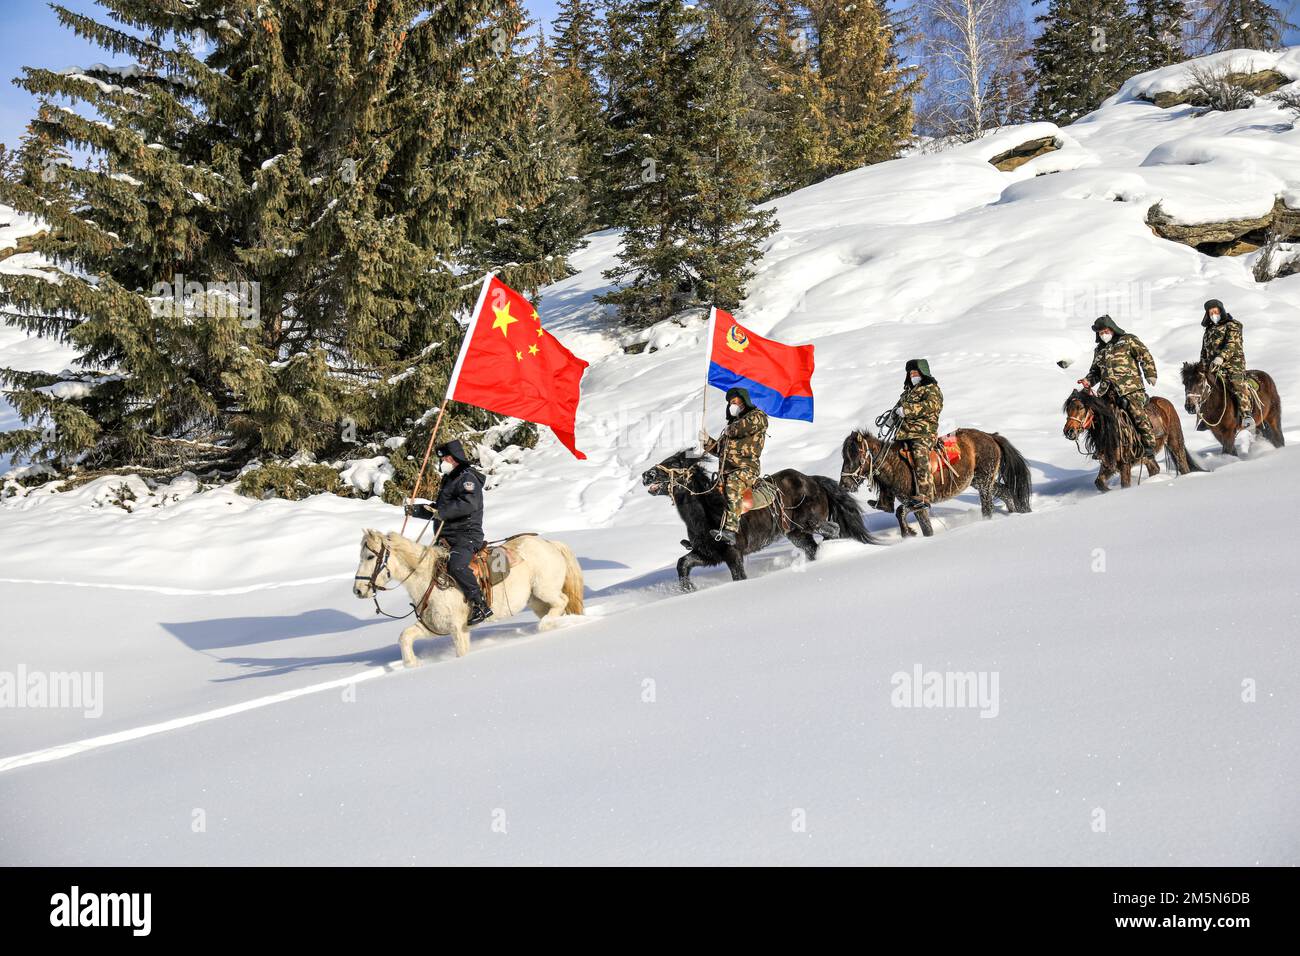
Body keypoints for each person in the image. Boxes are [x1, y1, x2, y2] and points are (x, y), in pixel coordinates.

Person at [404, 439, 492, 625]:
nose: (441, 461)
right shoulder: (450, 479)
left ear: (452, 458)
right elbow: (440, 507)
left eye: (443, 458)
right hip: (446, 538)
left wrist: (441, 512)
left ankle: (480, 605)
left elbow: (469, 504)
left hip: (467, 536)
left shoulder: (467, 478)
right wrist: (417, 510)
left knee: (456, 565)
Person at [1079, 315, 1159, 460]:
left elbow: (1145, 355)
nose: (1103, 335)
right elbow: (1095, 372)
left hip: (1130, 389)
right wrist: (1088, 381)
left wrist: (1150, 374)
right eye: (1100, 333)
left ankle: (1149, 444)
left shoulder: (1128, 340)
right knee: (1098, 417)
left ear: (1112, 329)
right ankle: (1102, 446)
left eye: (1105, 331)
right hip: (1107, 391)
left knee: (1135, 411)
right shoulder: (1099, 350)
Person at [698, 386, 769, 546]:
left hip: (746, 470)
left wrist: (731, 428)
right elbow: (719, 450)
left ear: (744, 401)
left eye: (735, 401)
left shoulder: (757, 417)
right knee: (707, 495)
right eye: (730, 402)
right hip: (726, 472)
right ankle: (703, 536)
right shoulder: (731, 427)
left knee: (733, 484)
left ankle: (731, 529)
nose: (732, 404)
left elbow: (745, 426)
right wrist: (707, 441)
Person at [891, 358, 943, 510]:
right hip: (904, 433)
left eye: (915, 372)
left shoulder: (931, 389)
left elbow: (931, 406)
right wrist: (891, 417)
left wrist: (907, 410)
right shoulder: (908, 392)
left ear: (923, 373)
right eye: (910, 373)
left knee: (919, 455)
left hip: (923, 433)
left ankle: (925, 495)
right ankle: (885, 499)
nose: (912, 375)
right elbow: (898, 408)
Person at [1200, 298, 1253, 429]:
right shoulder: (1208, 331)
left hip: (1233, 364)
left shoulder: (1232, 325)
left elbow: (1233, 344)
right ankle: (1206, 417)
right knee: (1204, 386)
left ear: (1221, 311)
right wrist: (1202, 367)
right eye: (1210, 312)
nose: (1213, 315)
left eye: (1215, 311)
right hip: (1214, 367)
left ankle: (1246, 415)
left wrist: (1221, 357)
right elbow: (1204, 352)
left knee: (1236, 384)